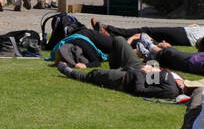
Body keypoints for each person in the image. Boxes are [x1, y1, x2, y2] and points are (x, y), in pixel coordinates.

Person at [56, 35, 192, 101]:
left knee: (97, 74)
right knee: (119, 40)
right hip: (140, 67)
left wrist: (143, 73)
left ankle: (73, 73)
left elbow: (141, 90)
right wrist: (152, 68)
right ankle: (116, 66)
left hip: (130, 78)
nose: (186, 82)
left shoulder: (171, 90)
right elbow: (156, 76)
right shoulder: (181, 79)